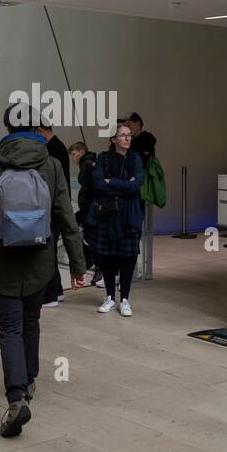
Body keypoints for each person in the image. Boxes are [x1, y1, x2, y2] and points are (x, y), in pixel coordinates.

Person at [0, 106, 87, 437]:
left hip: (3, 261)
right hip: (40, 260)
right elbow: (66, 217)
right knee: (31, 321)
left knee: (9, 328)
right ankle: (29, 379)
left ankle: (16, 396)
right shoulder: (52, 165)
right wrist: (78, 265)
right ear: (36, 128)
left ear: (6, 129)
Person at [89, 125, 145, 316]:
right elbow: (97, 184)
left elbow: (136, 185)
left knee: (128, 258)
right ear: (113, 139)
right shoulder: (103, 158)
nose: (127, 139)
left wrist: (111, 181)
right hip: (108, 215)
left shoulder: (135, 159)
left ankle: (125, 299)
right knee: (107, 258)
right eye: (123, 135)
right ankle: (110, 297)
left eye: (129, 135)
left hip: (130, 215)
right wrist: (124, 185)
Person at [39, 121, 71, 308]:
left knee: (47, 252)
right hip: (56, 206)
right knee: (49, 251)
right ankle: (56, 291)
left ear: (40, 131)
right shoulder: (57, 146)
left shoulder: (53, 149)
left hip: (53, 207)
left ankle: (51, 294)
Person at [69, 141, 100, 285]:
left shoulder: (88, 164)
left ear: (81, 151)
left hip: (91, 212)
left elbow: (82, 180)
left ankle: (97, 269)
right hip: (87, 211)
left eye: (74, 154)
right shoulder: (89, 163)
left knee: (92, 241)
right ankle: (89, 265)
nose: (73, 159)